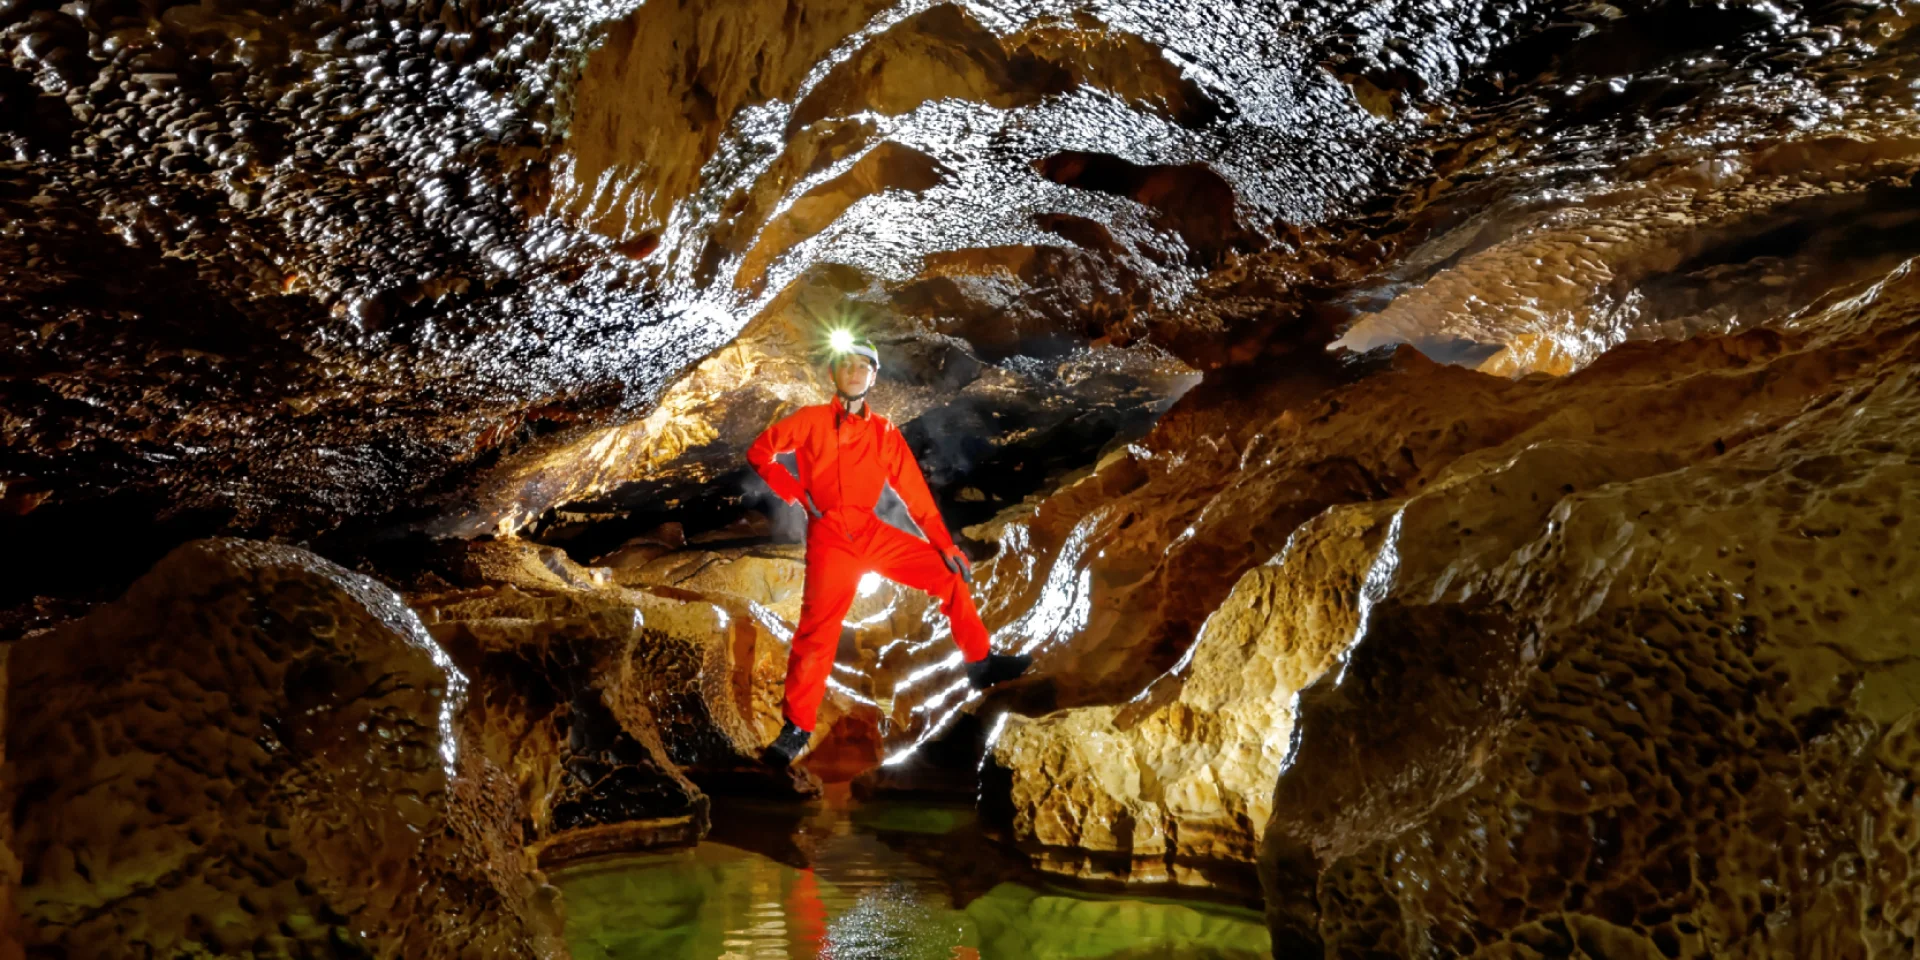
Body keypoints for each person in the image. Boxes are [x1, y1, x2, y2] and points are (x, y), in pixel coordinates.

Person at [747, 333, 1031, 767]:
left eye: (864, 366)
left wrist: (945, 544)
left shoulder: (883, 433)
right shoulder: (809, 420)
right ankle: (796, 728)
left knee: (948, 573)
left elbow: (914, 495)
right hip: (830, 540)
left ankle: (980, 664)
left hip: (871, 531)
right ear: (834, 373)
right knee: (816, 633)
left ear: (873, 377)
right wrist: (796, 494)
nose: (856, 372)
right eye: (848, 365)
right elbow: (760, 453)